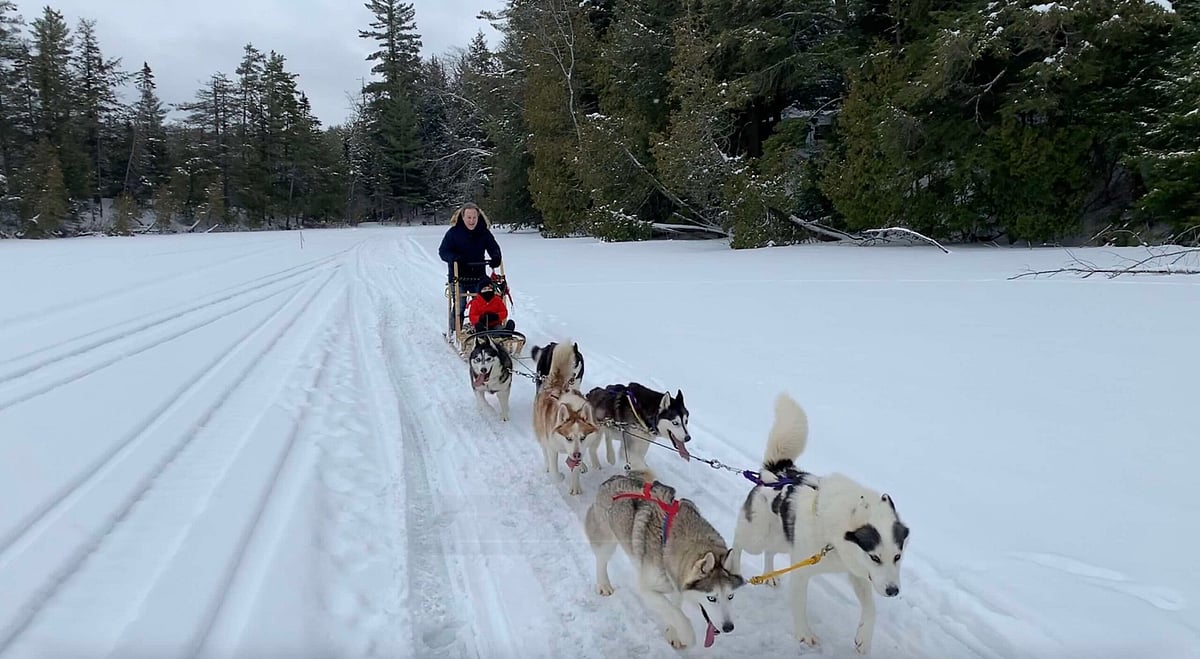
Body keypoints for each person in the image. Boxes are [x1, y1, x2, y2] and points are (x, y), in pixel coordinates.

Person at [439, 202, 502, 333]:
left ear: (478, 217)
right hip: (458, 276)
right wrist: (454, 258)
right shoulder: (453, 233)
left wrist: (496, 257)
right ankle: (455, 331)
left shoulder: (483, 232)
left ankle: (485, 328)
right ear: (462, 216)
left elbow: (493, 247)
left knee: (484, 304)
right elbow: (443, 251)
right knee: (460, 305)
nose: (472, 221)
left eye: (474, 218)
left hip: (478, 276)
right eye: (469, 217)